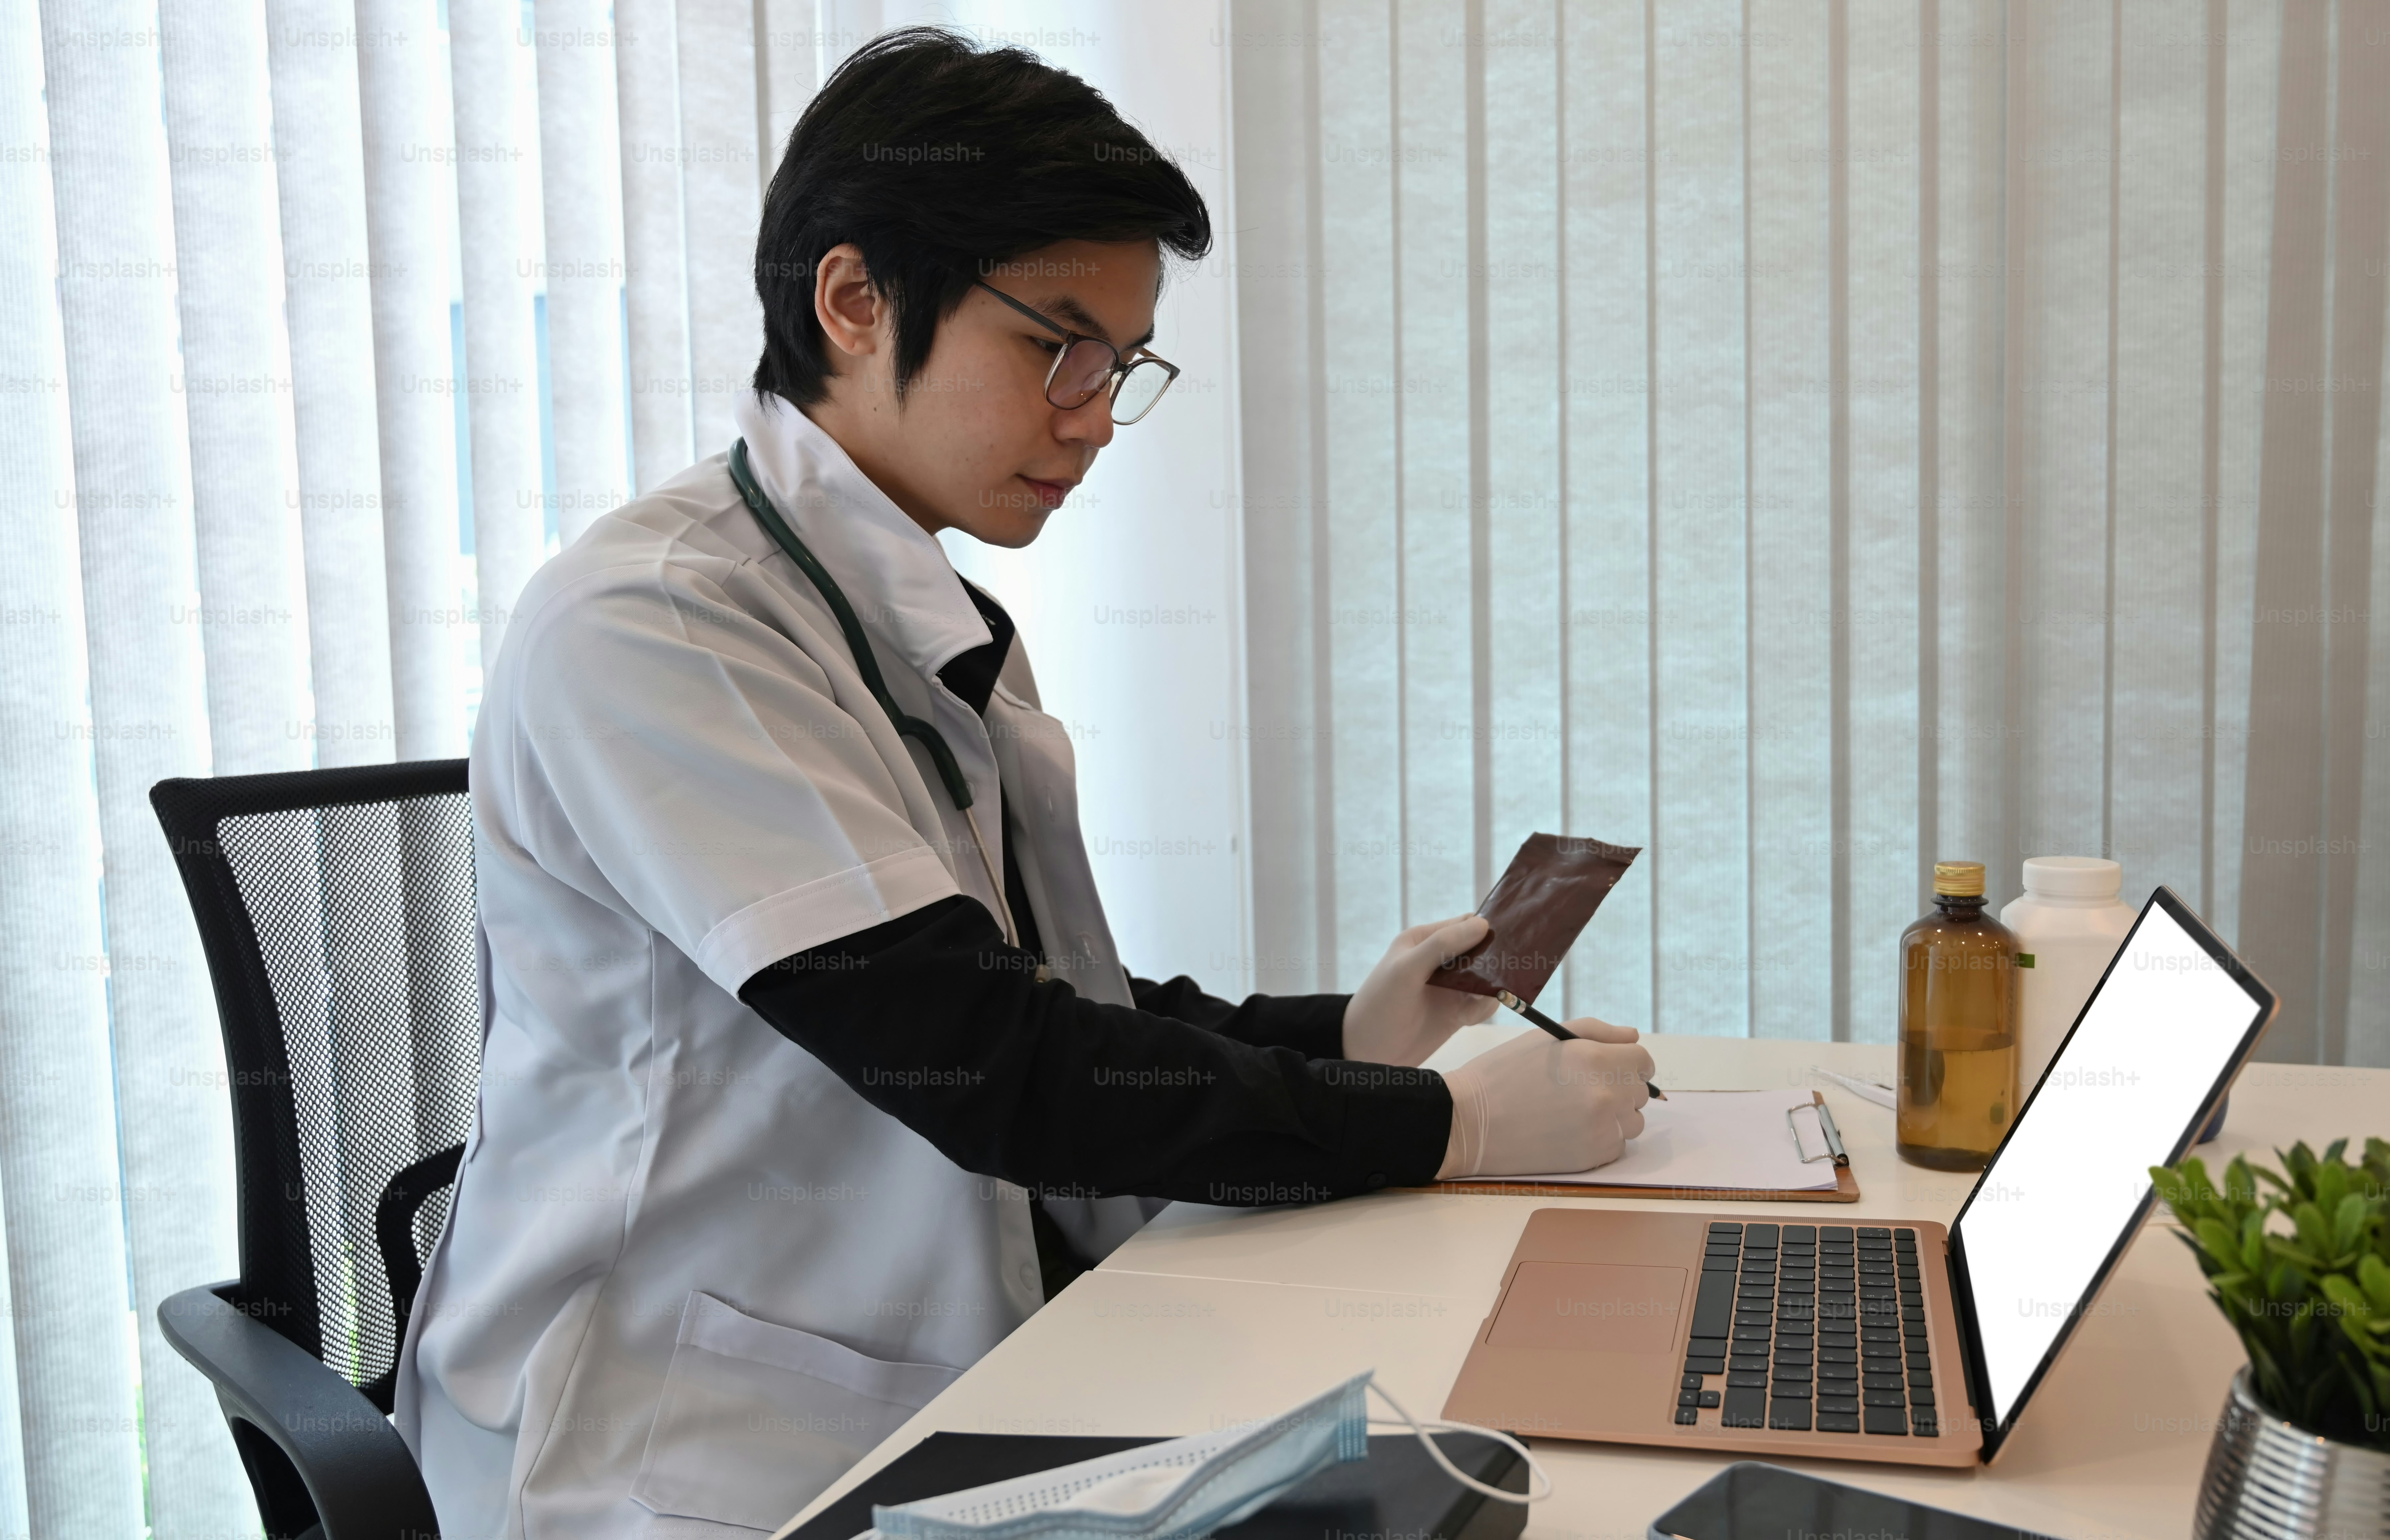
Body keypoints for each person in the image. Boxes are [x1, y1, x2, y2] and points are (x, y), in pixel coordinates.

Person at [397, 28, 1653, 1539]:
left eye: (1121, 363)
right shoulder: (659, 620)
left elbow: (1057, 999)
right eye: (1055, 345)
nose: (1096, 414)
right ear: (853, 301)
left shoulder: (916, 604)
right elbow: (982, 1057)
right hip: (681, 1447)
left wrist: (1352, 1033)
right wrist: (1452, 1129)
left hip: (941, 1375)